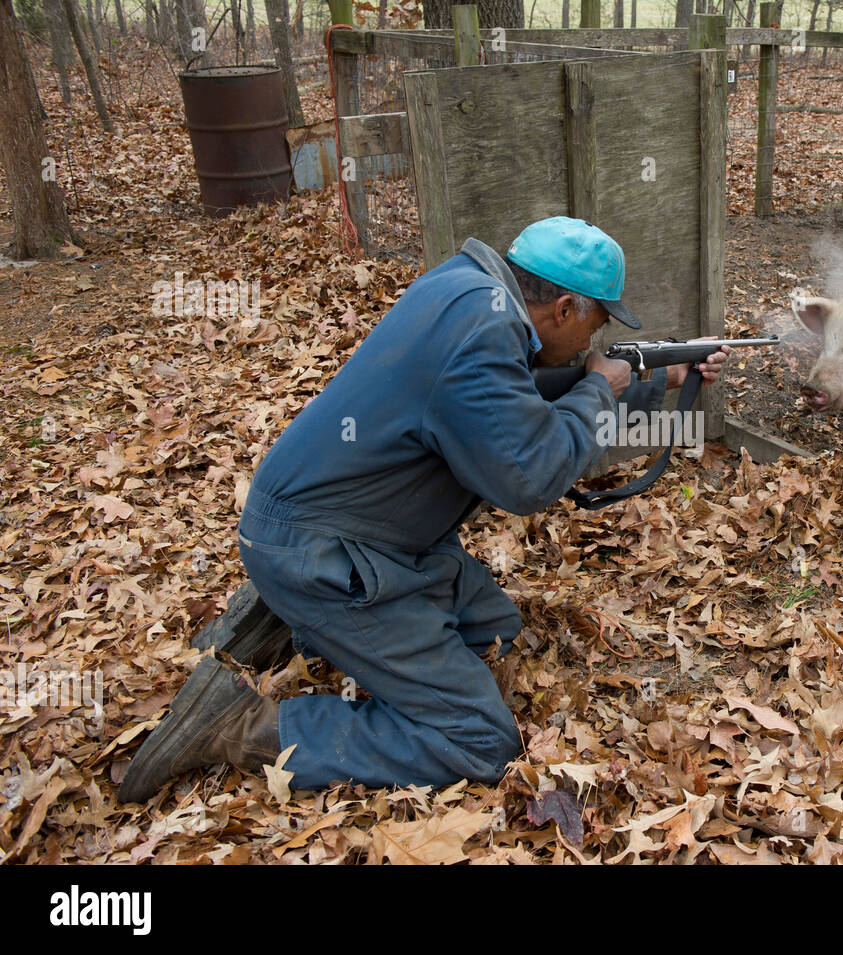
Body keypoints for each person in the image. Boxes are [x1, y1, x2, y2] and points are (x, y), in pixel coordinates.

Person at [119, 217, 729, 801]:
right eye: (593, 328)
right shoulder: (489, 335)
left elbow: (512, 404)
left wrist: (658, 378)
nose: (591, 344)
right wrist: (600, 385)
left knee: (494, 635)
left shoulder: (465, 291)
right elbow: (528, 477)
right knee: (479, 741)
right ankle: (240, 724)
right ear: (563, 309)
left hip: (354, 529)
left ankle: (307, 620)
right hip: (330, 548)